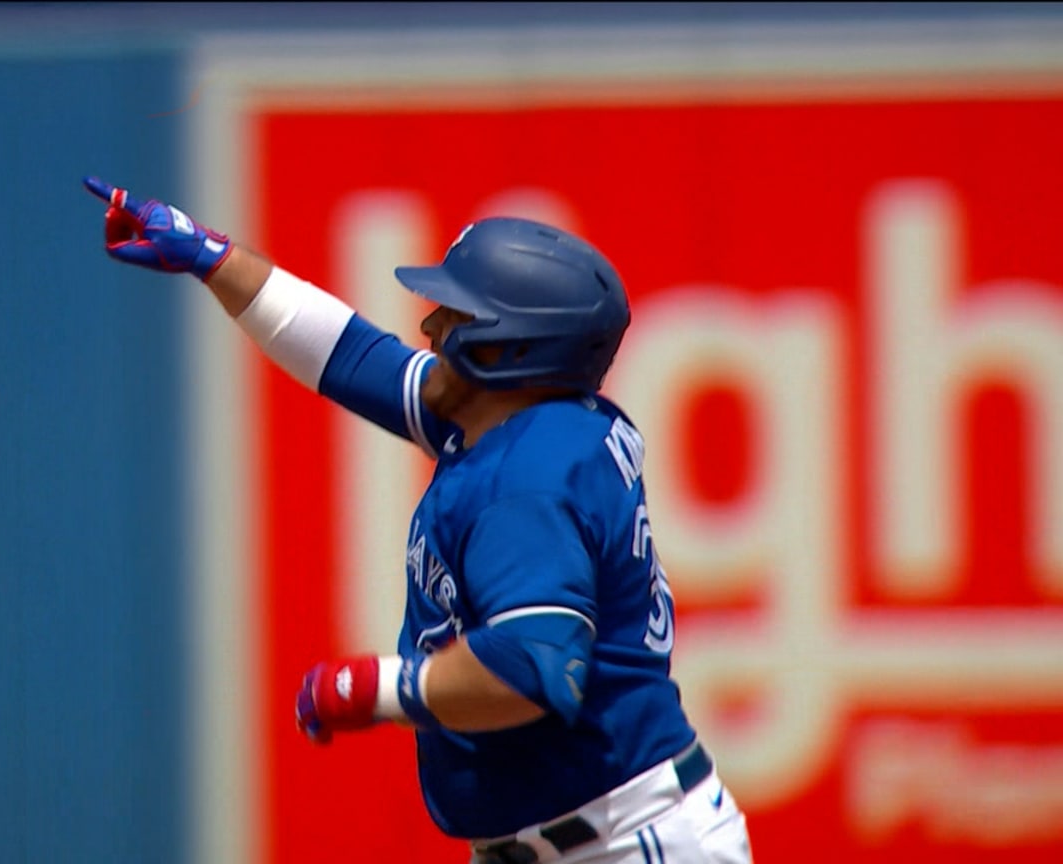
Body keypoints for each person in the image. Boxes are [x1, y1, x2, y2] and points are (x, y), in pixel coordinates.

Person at [82, 176, 753, 863]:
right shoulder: (521, 423)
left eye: (457, 317)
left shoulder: (524, 484)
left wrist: (376, 688)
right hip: (596, 834)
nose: (430, 327)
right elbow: (351, 358)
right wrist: (212, 257)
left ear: (509, 350)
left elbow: (530, 667)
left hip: (623, 844)